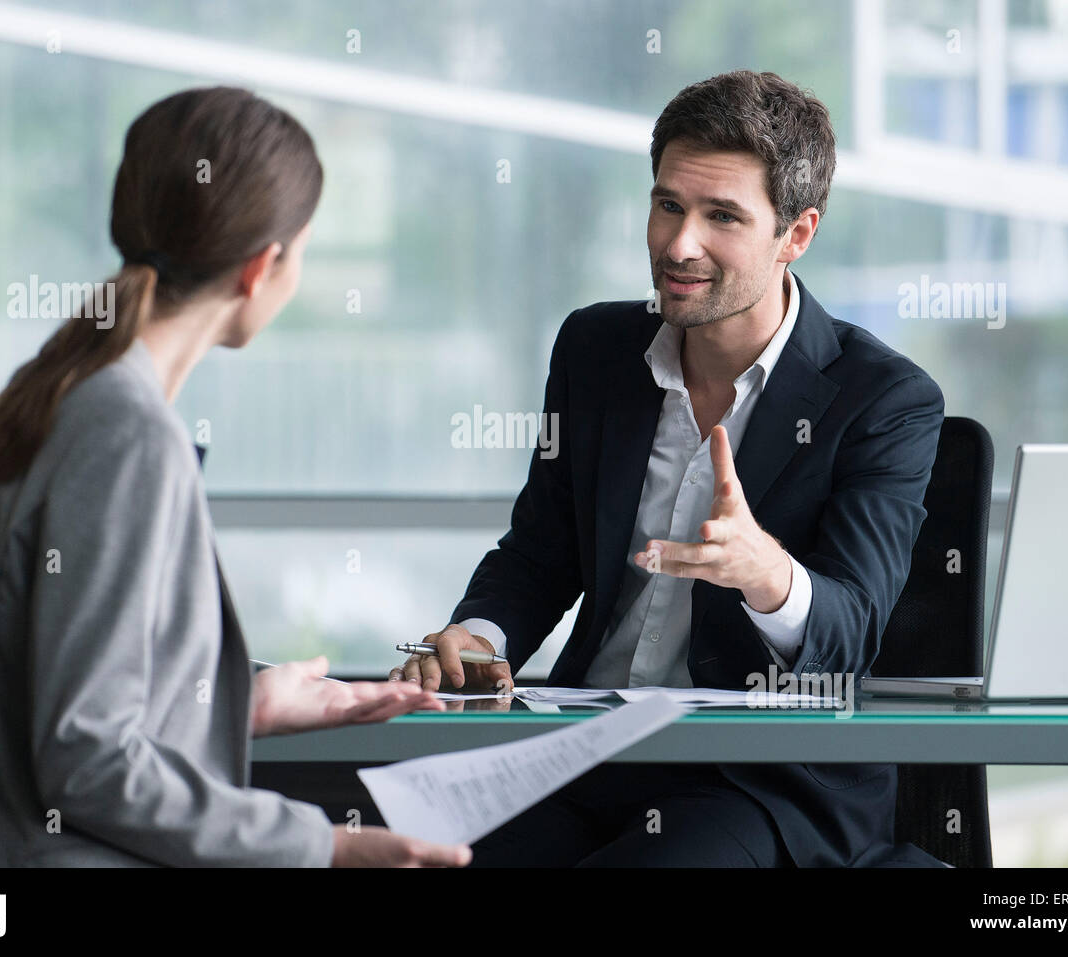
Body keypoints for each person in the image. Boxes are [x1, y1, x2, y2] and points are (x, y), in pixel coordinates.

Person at [0, 86, 469, 868]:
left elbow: (51, 682)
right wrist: (322, 845)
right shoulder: (127, 432)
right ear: (263, 266)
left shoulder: (50, 391)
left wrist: (233, 699)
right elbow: (86, 761)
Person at [392, 70, 946, 867]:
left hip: (759, 780)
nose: (680, 244)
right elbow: (540, 552)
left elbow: (849, 633)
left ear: (797, 234)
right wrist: (479, 636)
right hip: (585, 751)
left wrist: (768, 574)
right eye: (668, 205)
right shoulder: (594, 349)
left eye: (722, 216)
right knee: (416, 850)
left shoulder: (884, 399)